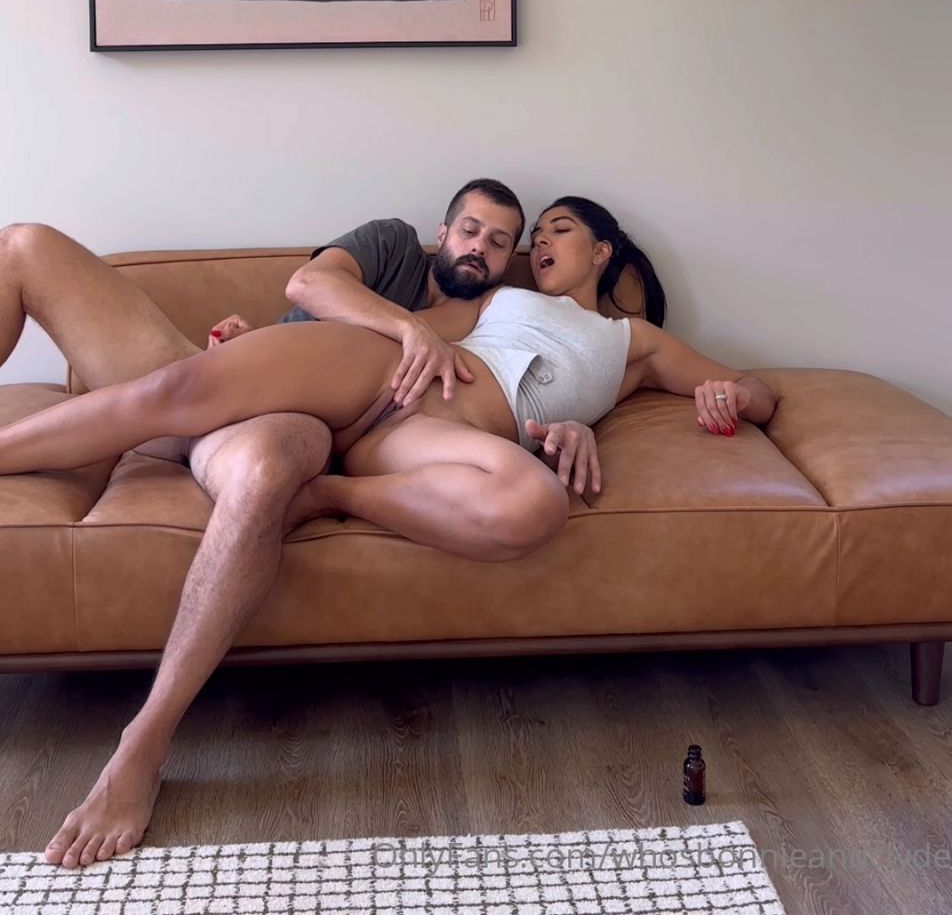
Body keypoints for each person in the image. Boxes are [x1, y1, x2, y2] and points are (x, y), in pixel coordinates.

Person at [0, 193, 777, 867]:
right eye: (533, 232)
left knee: (534, 505)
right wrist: (273, 345)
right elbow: (385, 321)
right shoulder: (494, 299)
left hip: (420, 439)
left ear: (603, 251)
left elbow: (755, 387)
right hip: (379, 371)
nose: (540, 241)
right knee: (173, 390)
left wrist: (728, 397)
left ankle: (325, 493)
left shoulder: (636, 343)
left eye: (559, 229)